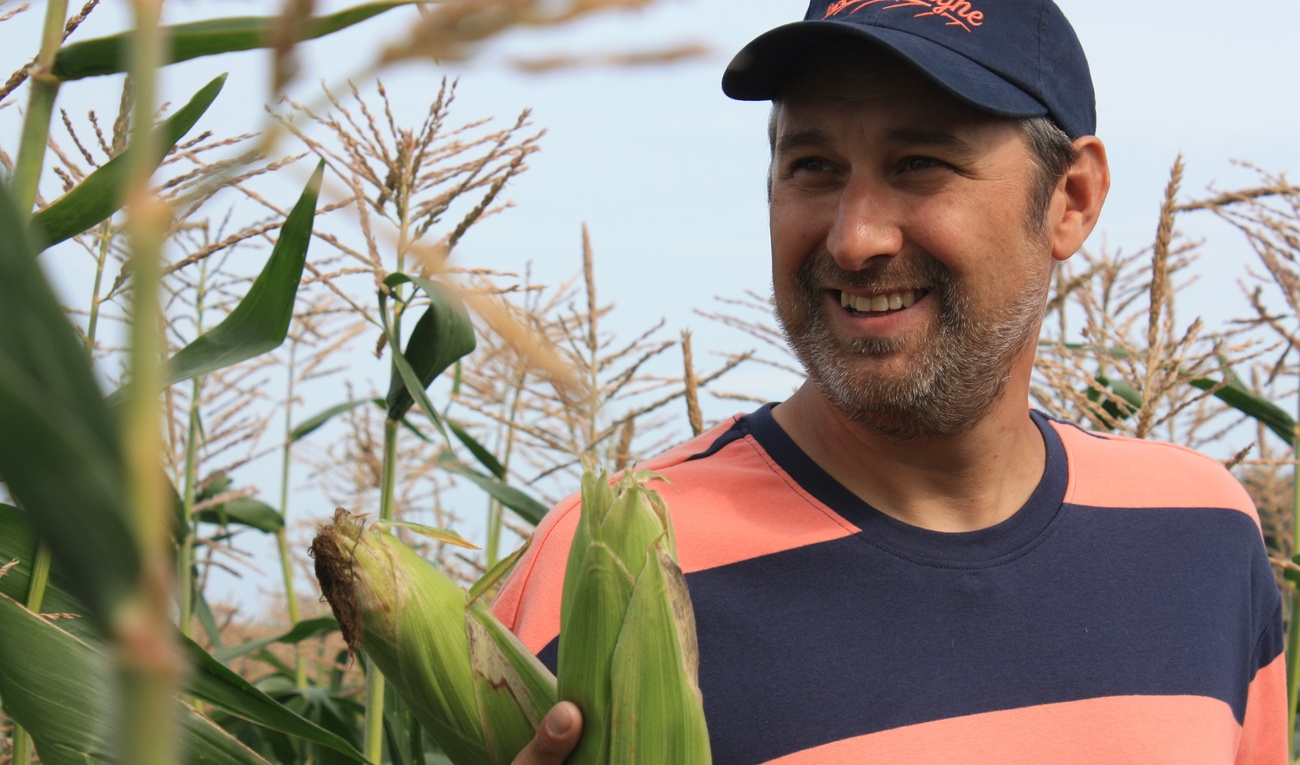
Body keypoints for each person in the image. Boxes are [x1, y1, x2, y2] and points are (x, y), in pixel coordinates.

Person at [505, 0, 1287, 762]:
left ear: (1071, 200)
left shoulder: (1201, 534)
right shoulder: (616, 564)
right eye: (813, 167)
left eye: (919, 164)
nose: (855, 239)